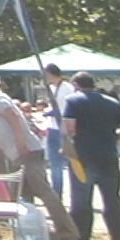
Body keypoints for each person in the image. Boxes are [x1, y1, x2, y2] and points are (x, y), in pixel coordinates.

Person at [0, 76, 79, 240]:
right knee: (21, 196)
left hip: (27, 152)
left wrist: (20, 142)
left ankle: (68, 233)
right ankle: (29, 234)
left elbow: (12, 116)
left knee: (44, 192)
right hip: (17, 156)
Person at [64, 73, 120, 240]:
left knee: (81, 199)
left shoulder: (73, 100)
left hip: (83, 156)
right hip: (108, 155)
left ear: (76, 85)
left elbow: (70, 128)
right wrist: (114, 139)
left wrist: (67, 143)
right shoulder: (112, 102)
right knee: (112, 199)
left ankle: (83, 237)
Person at [44, 63, 78, 204]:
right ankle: (56, 195)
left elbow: (69, 111)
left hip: (64, 129)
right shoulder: (51, 89)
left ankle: (74, 195)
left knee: (70, 163)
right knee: (54, 165)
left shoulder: (68, 89)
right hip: (52, 128)